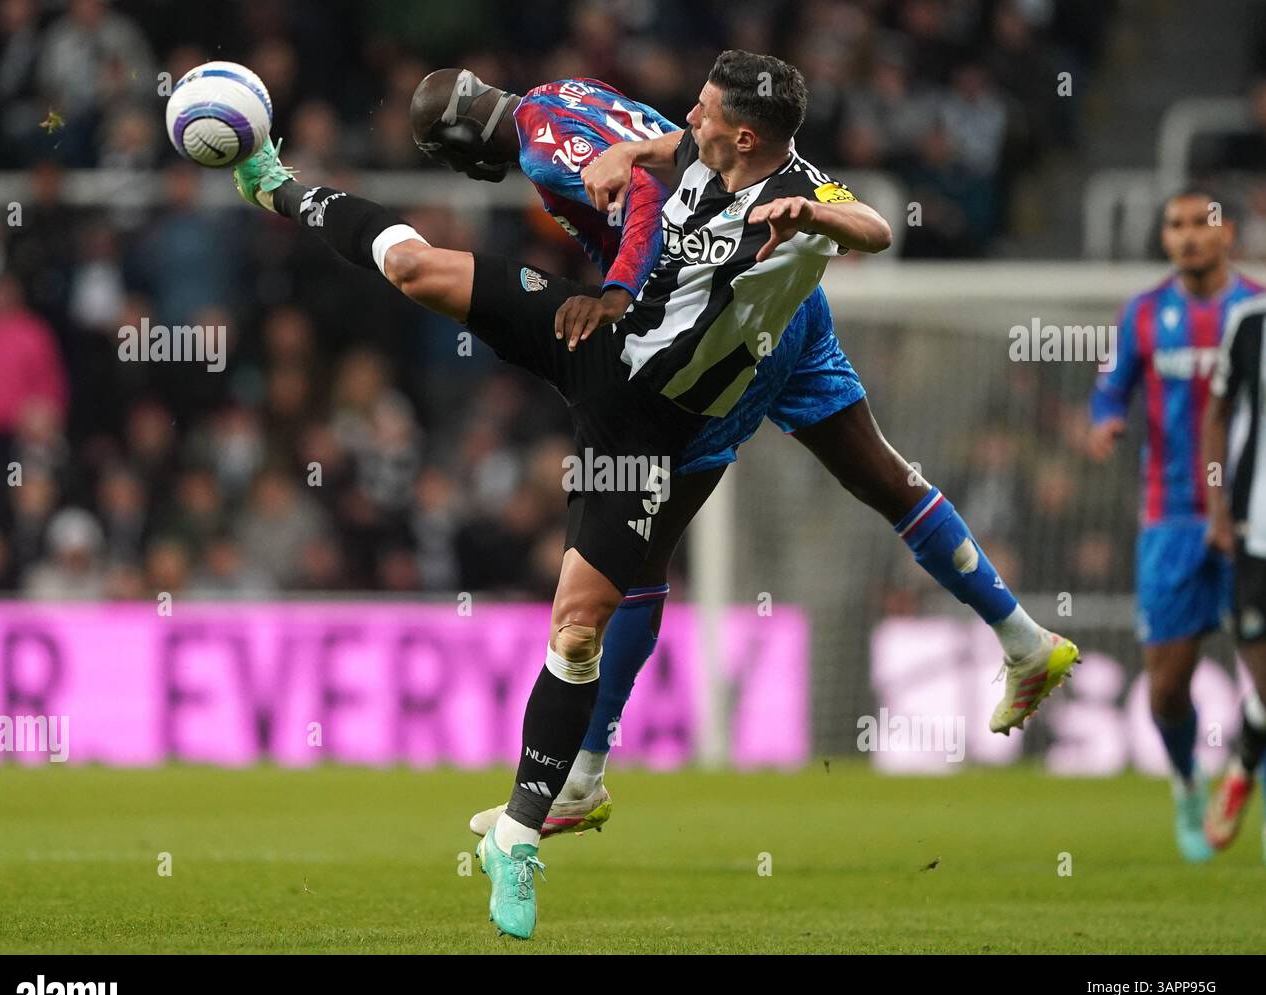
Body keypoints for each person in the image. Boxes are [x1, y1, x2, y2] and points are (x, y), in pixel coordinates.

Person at [231, 50, 1073, 939]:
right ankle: (278, 184)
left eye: (705, 110)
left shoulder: (720, 178)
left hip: (664, 405)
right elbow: (659, 162)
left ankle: (535, 817)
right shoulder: (685, 144)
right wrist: (638, 180)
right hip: (610, 344)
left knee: (587, 609)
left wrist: (741, 227)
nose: (687, 118)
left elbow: (866, 224)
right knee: (417, 270)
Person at [407, 67, 1080, 843]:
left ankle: (582, 775)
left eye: (442, 154)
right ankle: (1024, 638)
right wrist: (639, 160)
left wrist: (622, 292)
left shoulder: (544, 143)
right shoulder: (571, 90)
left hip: (722, 325)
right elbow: (673, 148)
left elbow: (697, 204)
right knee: (880, 475)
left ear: (458, 143)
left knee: (638, 548)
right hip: (781, 300)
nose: (695, 114)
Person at [1088, 187, 1263, 862]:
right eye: (1176, 226)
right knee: (1165, 684)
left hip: (1252, 516)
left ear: (1228, 233)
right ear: (1165, 239)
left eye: (1201, 223)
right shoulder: (1143, 314)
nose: (1188, 236)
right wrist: (1106, 418)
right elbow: (1110, 387)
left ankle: (1250, 789)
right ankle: (1189, 781)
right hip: (1170, 516)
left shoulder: (1256, 312)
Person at [1202, 289, 1266, 860]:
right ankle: (1245, 765)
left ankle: (1244, 769)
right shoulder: (1250, 324)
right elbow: (1217, 412)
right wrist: (1219, 508)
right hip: (1257, 533)